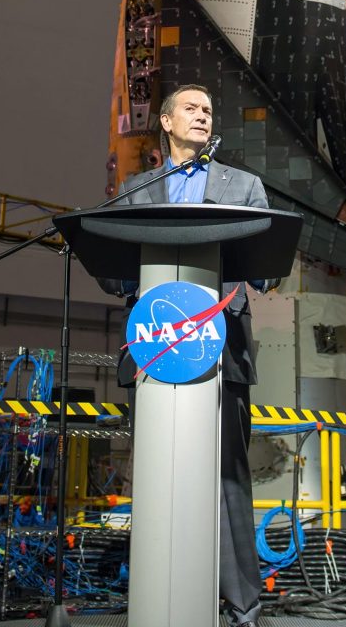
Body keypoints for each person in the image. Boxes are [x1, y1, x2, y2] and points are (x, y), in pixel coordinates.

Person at [106, 83, 271, 627]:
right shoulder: (137, 190)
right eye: (192, 109)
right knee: (156, 475)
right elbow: (114, 275)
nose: (203, 116)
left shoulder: (243, 186)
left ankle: (241, 602)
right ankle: (157, 593)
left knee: (227, 477)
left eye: (208, 109)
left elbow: (266, 266)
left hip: (221, 352)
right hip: (156, 354)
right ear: (167, 123)